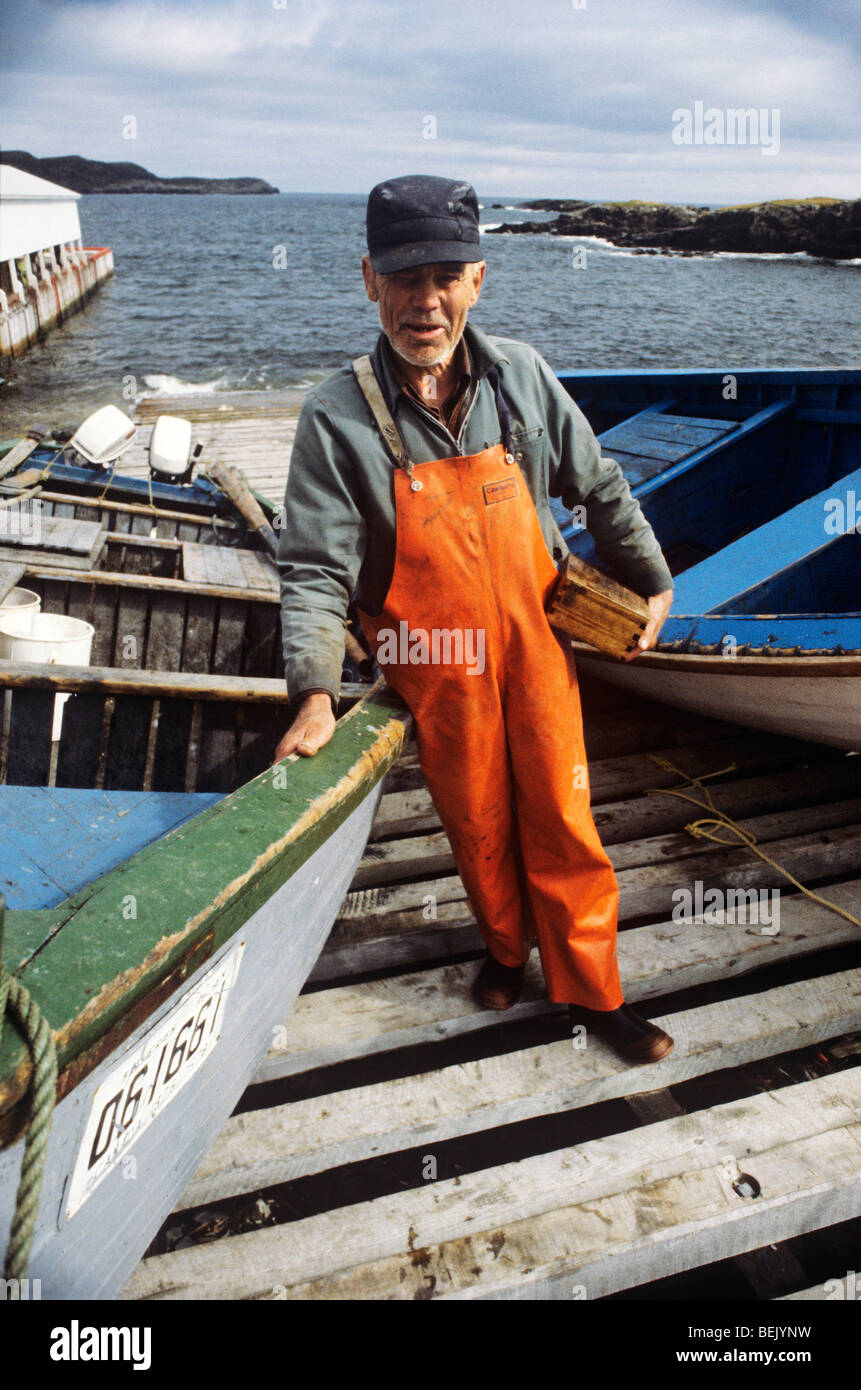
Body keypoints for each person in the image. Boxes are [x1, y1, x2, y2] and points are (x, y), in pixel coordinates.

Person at [275, 174, 675, 1064]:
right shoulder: (335, 418)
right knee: (476, 820)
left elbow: (598, 486)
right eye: (405, 277)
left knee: (565, 819)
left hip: (536, 649)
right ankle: (504, 950)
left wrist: (651, 579)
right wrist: (311, 691)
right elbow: (312, 569)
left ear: (478, 280)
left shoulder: (520, 376)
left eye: (447, 275)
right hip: (434, 666)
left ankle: (595, 992)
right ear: (369, 280)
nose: (427, 301)